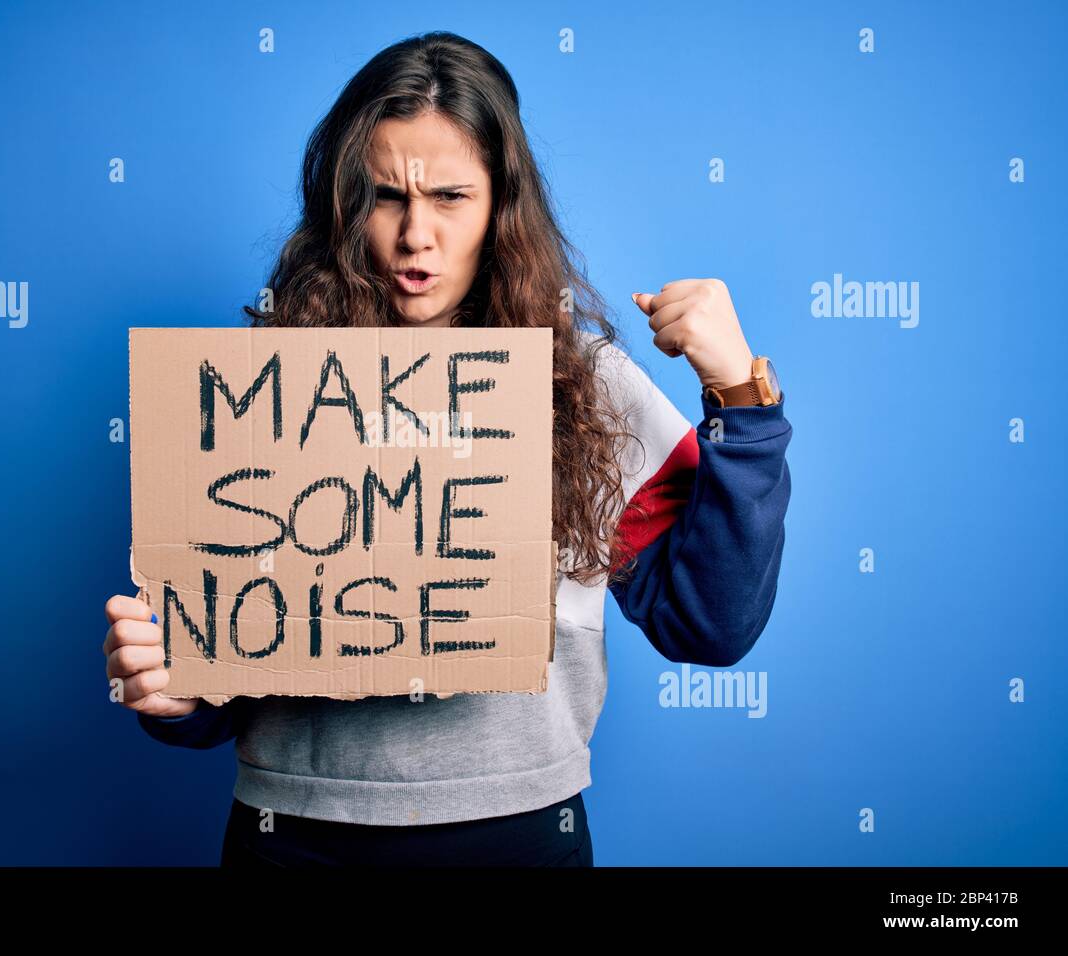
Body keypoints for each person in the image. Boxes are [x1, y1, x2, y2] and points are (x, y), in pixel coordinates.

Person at [102, 31, 792, 867]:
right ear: (343, 203)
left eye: (452, 197)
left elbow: (709, 627)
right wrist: (170, 690)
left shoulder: (582, 387)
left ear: (502, 206)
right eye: (386, 195)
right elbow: (217, 692)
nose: (414, 236)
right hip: (293, 836)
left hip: (518, 835)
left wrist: (742, 405)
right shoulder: (264, 390)